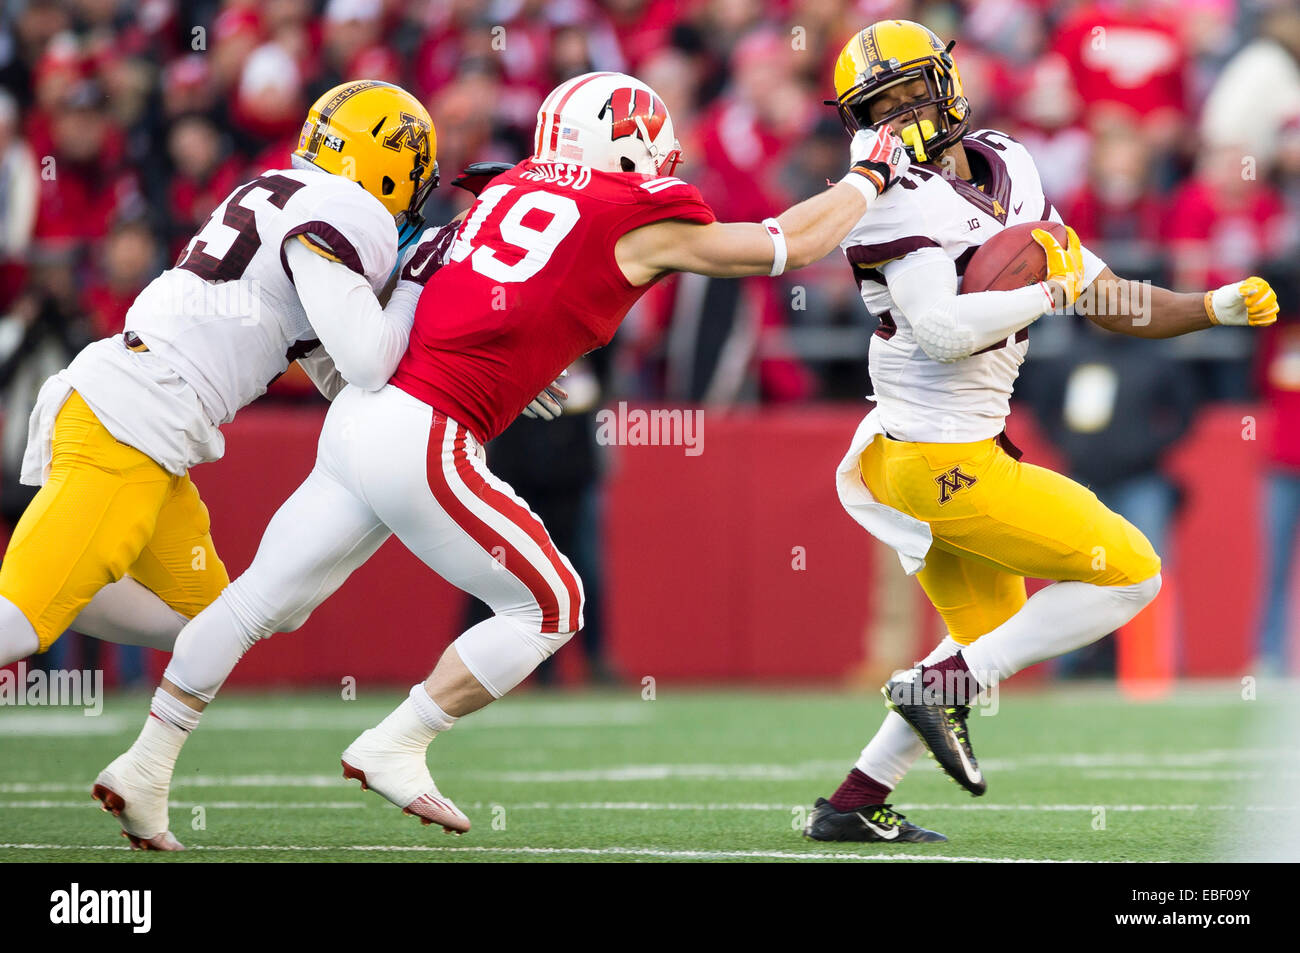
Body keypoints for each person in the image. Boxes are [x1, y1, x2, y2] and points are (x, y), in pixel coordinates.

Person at [93, 70, 911, 850]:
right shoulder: (630, 210)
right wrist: (868, 177)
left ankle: (147, 764)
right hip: (424, 428)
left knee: (260, 603)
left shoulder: (508, 187)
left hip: (356, 417)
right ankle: (398, 740)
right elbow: (785, 244)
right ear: (624, 148)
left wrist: (528, 359)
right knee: (551, 604)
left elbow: (471, 291)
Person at [801, 20, 1279, 844]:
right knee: (1131, 572)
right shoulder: (883, 202)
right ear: (856, 121)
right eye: (881, 105)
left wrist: (1210, 308)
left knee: (978, 645)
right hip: (933, 457)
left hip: (953, 449)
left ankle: (852, 800)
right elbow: (947, 327)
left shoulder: (1010, 162)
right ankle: (938, 690)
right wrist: (1047, 293)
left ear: (947, 81)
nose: (903, 114)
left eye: (913, 89)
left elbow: (1106, 294)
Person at [0, 80, 443, 673]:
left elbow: (349, 378)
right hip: (134, 420)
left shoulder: (279, 192)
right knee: (20, 624)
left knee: (208, 624)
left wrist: (482, 366)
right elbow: (368, 360)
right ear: (391, 168)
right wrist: (414, 282)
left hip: (143, 414)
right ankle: (51, 587)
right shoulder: (350, 209)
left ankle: (61, 581)